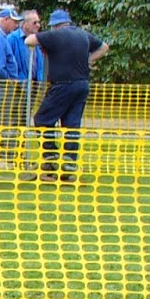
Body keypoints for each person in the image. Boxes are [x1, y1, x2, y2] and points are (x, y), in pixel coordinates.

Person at [25, 9, 108, 179]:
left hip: (62, 85)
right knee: (71, 124)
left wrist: (40, 36)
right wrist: (88, 60)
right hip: (82, 85)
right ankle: (69, 163)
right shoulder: (83, 35)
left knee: (42, 119)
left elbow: (29, 40)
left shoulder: (55, 35)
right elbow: (104, 47)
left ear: (55, 25)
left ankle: (50, 155)